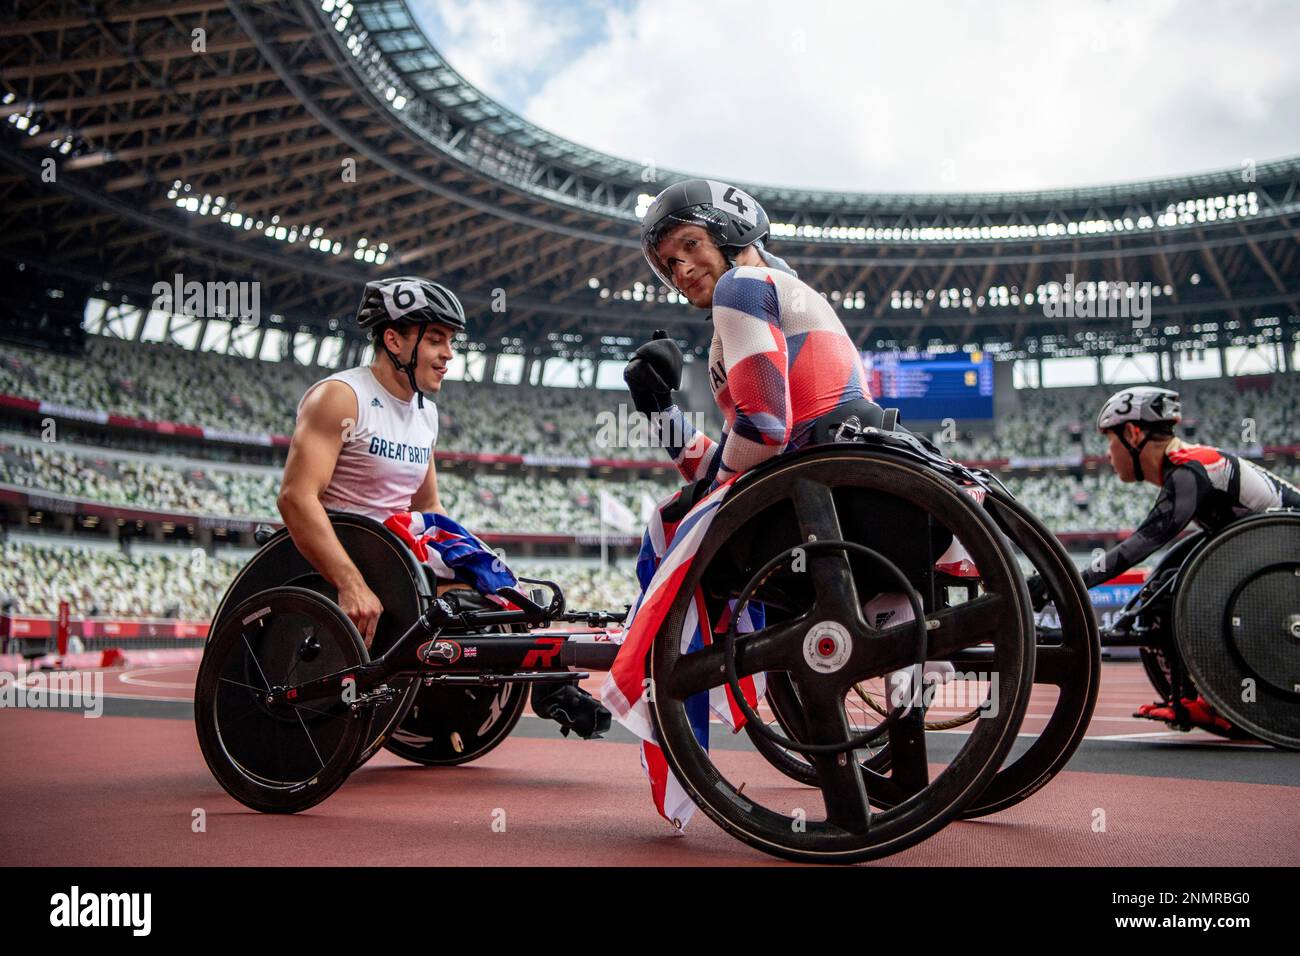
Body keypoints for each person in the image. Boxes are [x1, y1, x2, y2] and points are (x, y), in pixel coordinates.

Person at [277, 276, 609, 738]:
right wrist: (350, 584)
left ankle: (549, 676)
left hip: (400, 551)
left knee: (509, 599)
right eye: (435, 340)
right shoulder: (341, 397)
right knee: (479, 594)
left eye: (451, 341)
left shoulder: (424, 412)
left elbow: (428, 505)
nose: (449, 354)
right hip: (357, 550)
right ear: (394, 340)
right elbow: (296, 498)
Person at [1028, 385, 1300, 730]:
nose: (1109, 455)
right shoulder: (1190, 466)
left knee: (1172, 591)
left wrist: (1058, 582)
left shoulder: (1190, 470)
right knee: (1162, 584)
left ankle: (1212, 701)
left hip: (1280, 563)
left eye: (1110, 441)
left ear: (1132, 433)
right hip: (1266, 557)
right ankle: (1202, 697)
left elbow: (1139, 545)